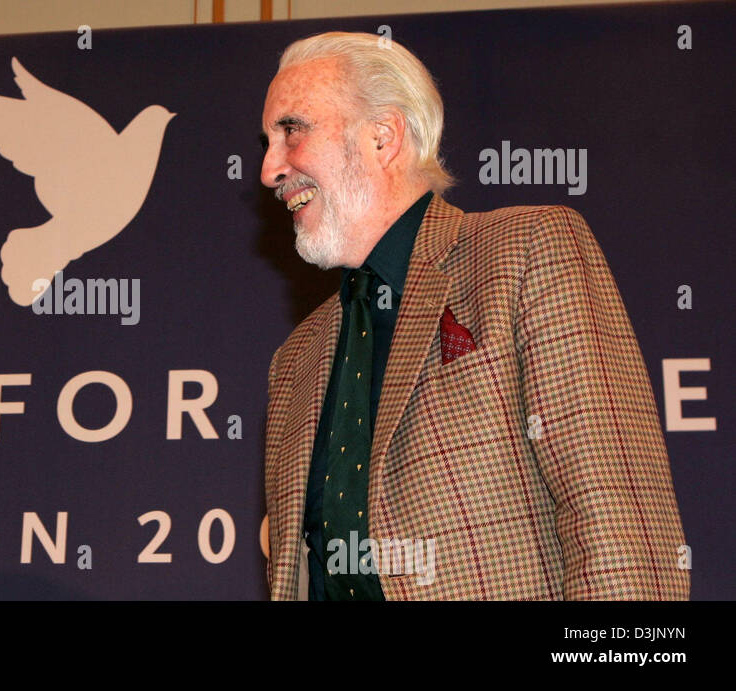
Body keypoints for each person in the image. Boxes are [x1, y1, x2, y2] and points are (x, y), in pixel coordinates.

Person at [260, 32, 688, 600]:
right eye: (267, 142)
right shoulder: (295, 359)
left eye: (291, 131)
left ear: (383, 136)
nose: (269, 169)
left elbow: (619, 524)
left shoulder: (526, 251)